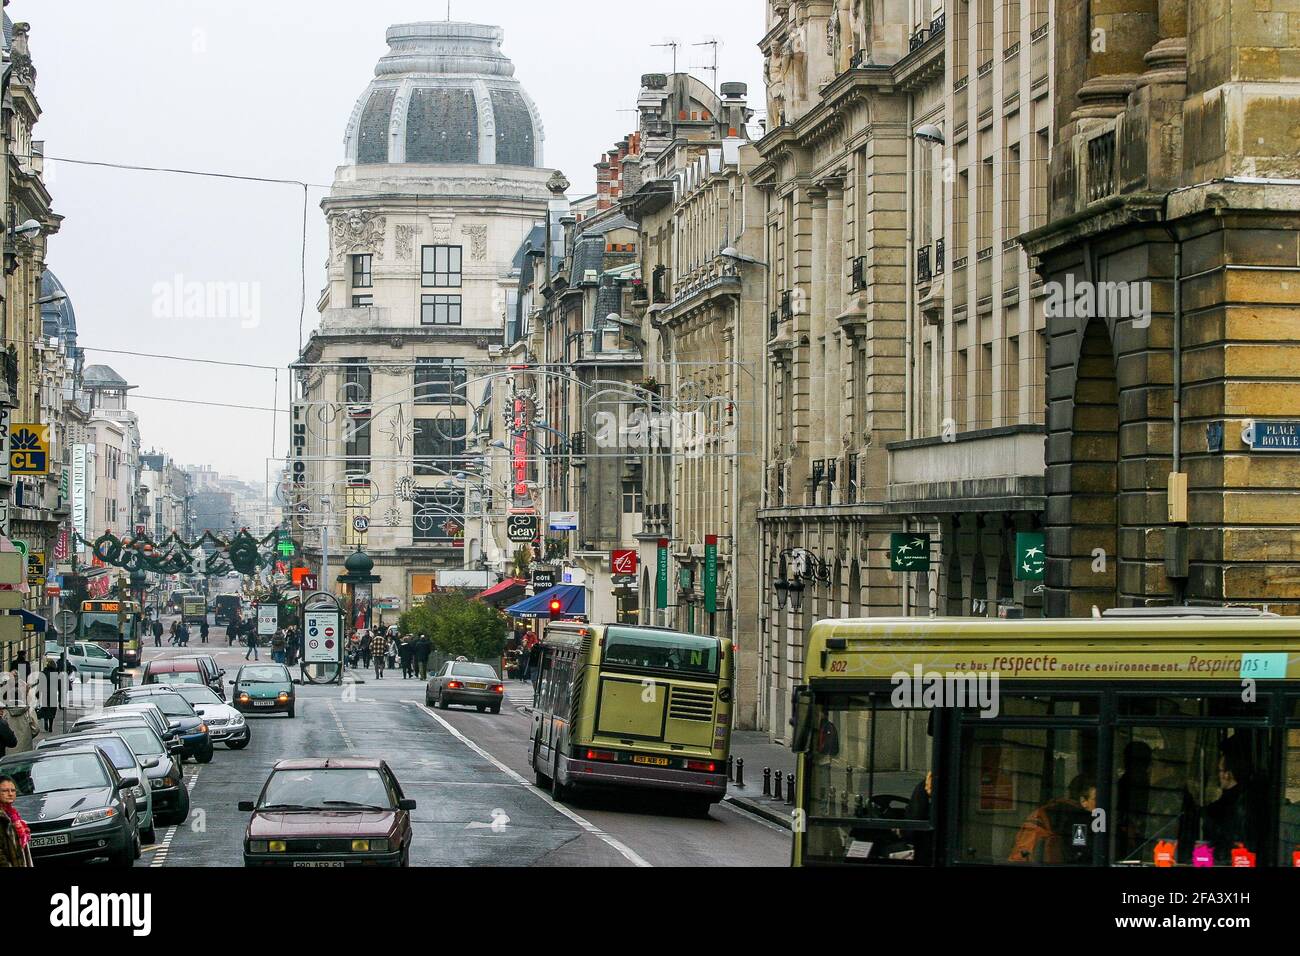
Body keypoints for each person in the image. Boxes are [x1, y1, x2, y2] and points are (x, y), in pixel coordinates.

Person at [1008, 774, 1097, 864]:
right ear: (1083, 800)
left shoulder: (1047, 811)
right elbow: (1080, 851)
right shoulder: (1079, 818)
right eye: (1096, 799)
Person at [0, 774, 30, 868]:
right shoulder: (2, 817)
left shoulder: (13, 815)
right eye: (5, 791)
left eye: (13, 790)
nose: (10, 793)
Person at [35, 658, 61, 733]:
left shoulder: (43, 673)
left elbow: (40, 684)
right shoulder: (56, 674)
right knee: (52, 710)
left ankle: (45, 720)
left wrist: (38, 694)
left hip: (45, 693)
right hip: (53, 694)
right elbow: (59, 685)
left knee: (45, 708)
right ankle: (50, 726)